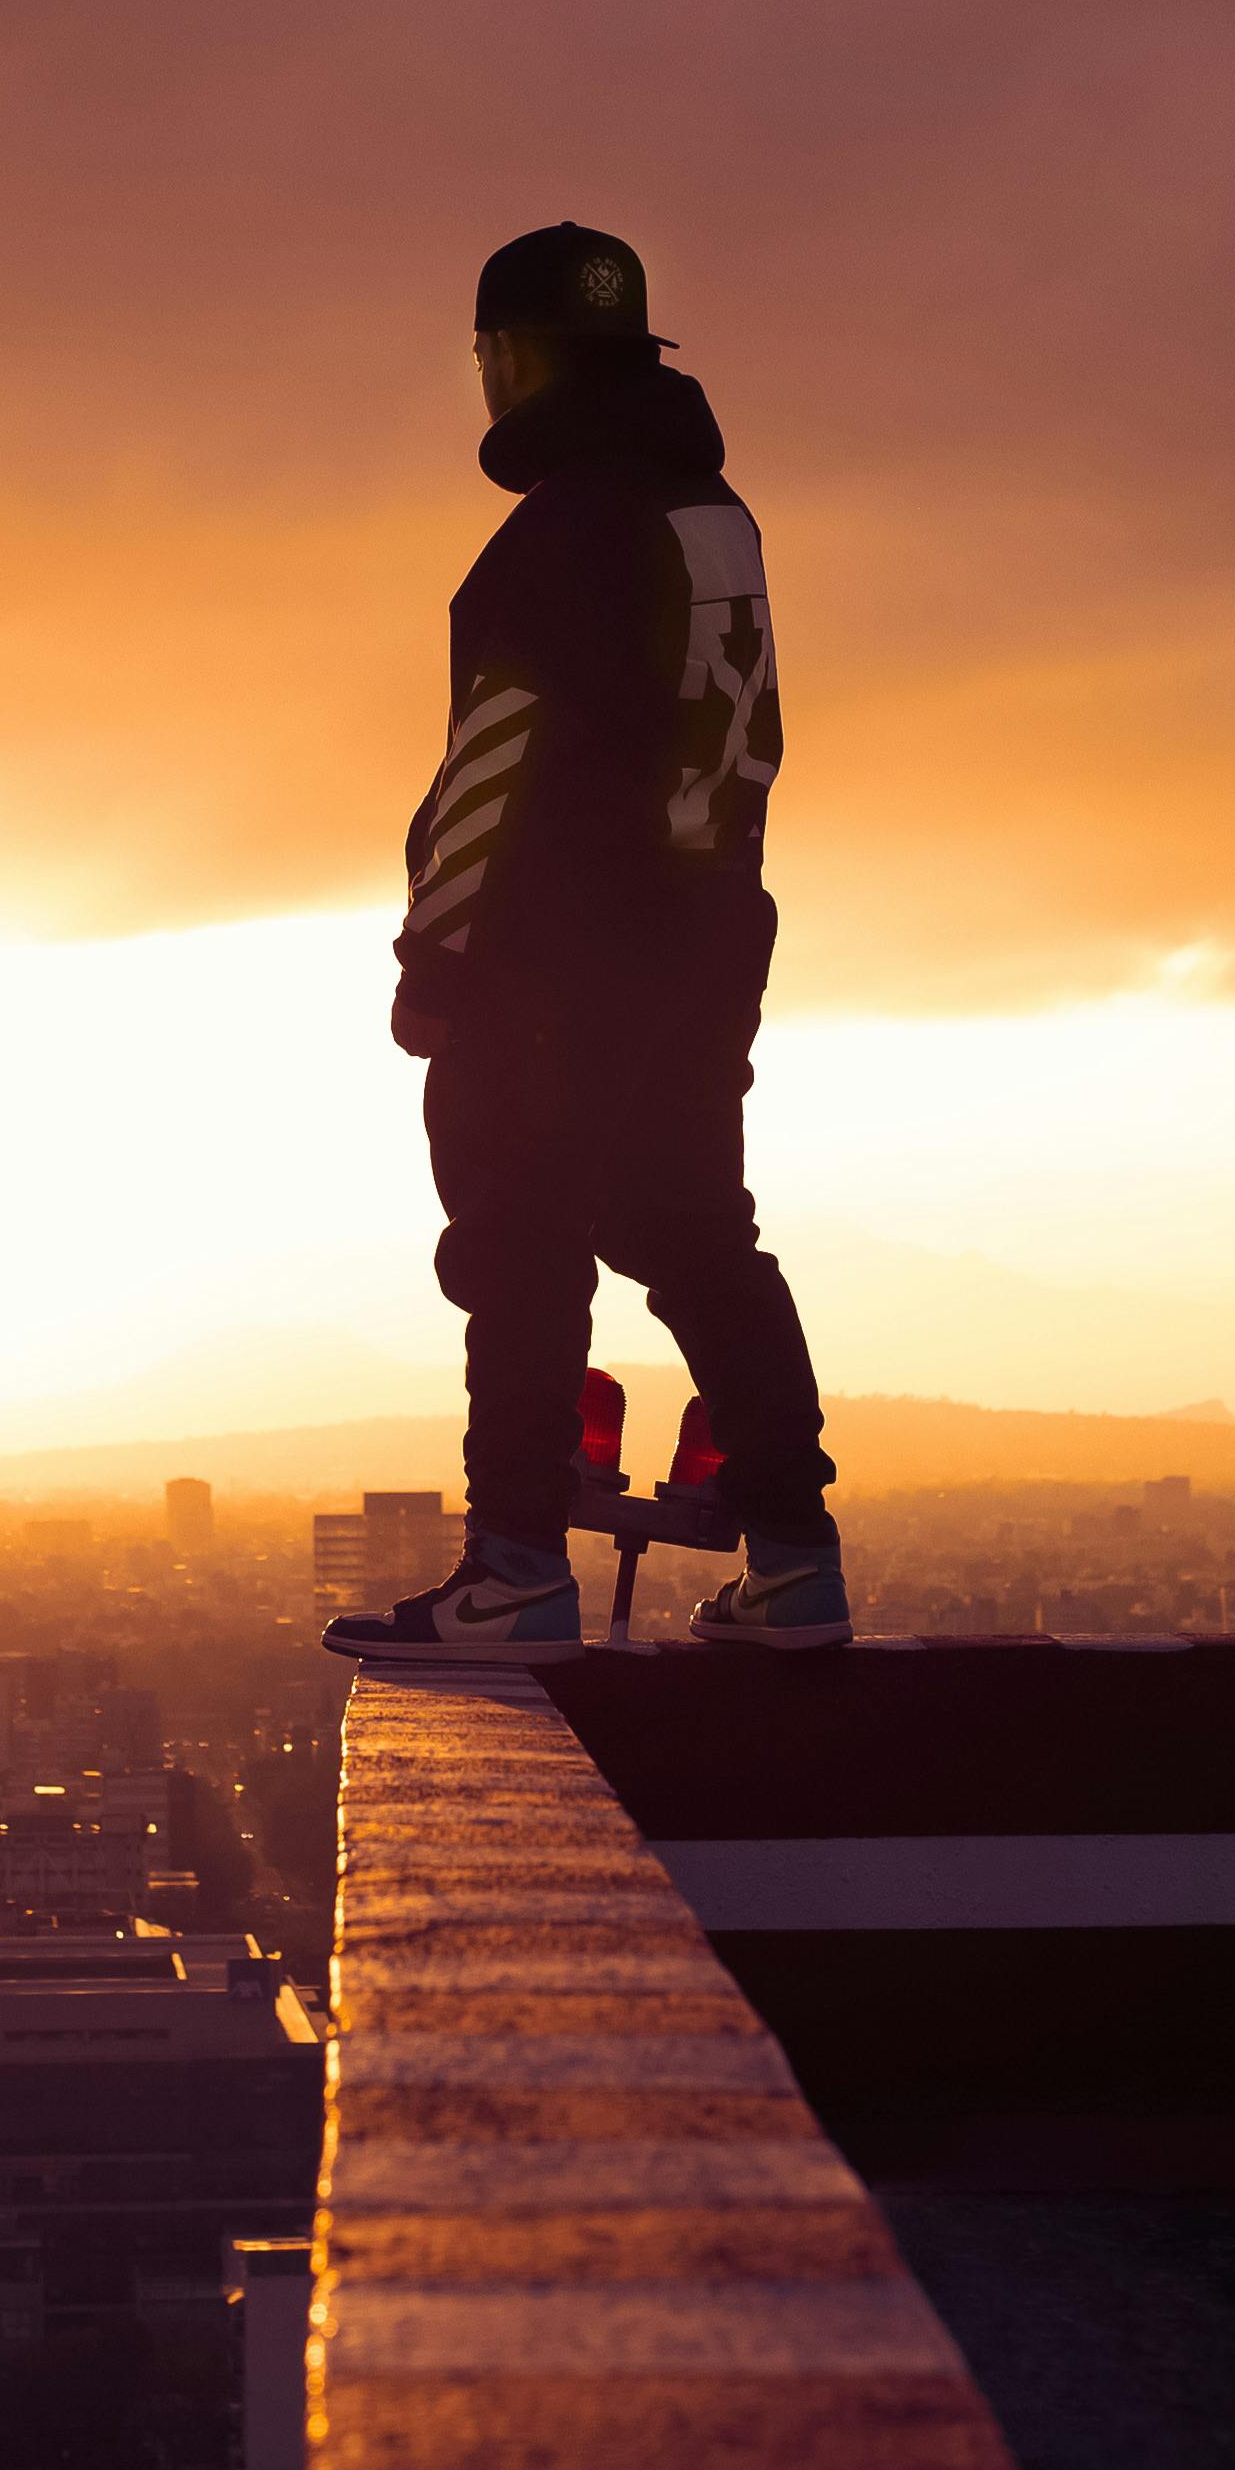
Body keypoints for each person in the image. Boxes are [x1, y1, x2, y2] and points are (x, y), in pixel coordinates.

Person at [325, 221, 848, 1661]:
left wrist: (434, 959)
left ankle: (511, 1571)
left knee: (519, 1237)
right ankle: (796, 1557)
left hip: (558, 952)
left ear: (515, 357)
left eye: (489, 355)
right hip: (709, 927)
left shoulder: (552, 535)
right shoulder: (714, 519)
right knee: (689, 1226)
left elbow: (493, 766)